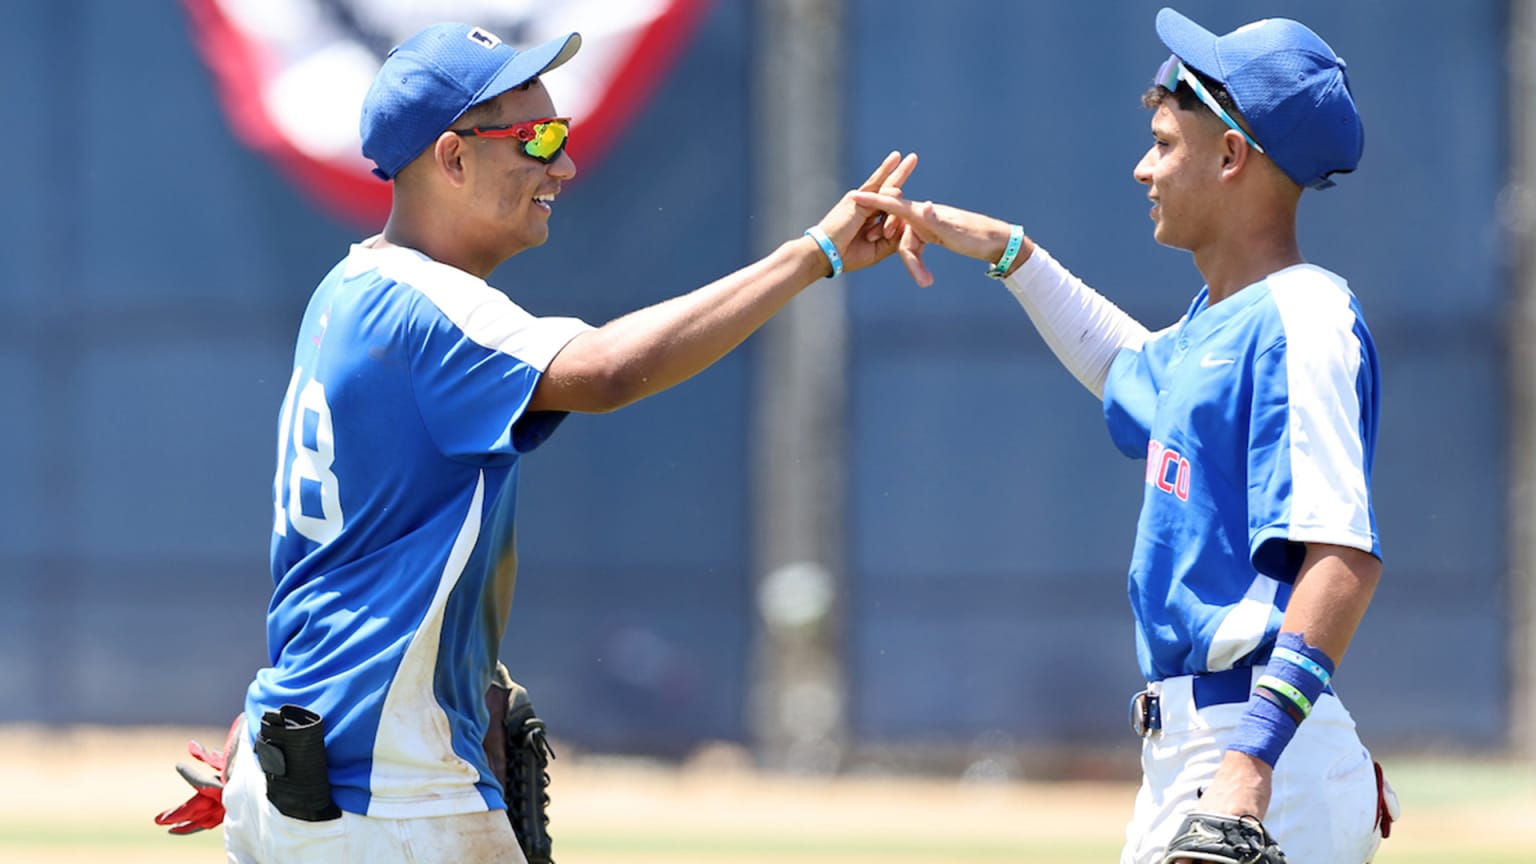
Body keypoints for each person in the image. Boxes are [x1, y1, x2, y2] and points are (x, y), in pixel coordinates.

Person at [159, 21, 916, 864]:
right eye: (539, 139)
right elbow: (610, 372)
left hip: (300, 760)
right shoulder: (429, 309)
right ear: (451, 158)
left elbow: (354, 563)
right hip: (391, 798)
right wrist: (810, 255)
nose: (565, 164)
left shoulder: (347, 292)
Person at [853, 8, 1396, 864]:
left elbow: (1342, 556)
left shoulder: (1305, 317)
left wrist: (1253, 762)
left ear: (1231, 156)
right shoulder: (1219, 325)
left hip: (1251, 753)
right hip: (1206, 752)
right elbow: (1130, 366)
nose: (1144, 167)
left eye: (1165, 144)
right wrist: (1000, 249)